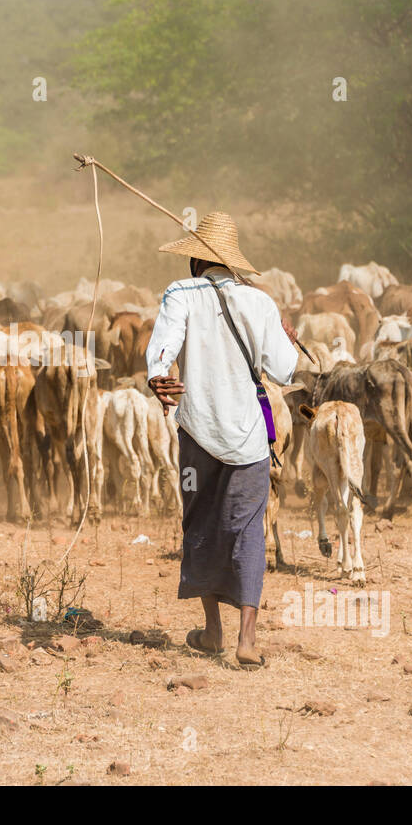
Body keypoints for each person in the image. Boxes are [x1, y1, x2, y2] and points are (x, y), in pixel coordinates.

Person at [143, 211, 299, 668]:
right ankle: (246, 639)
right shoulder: (260, 303)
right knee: (249, 530)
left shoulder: (180, 292)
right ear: (231, 261)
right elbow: (285, 369)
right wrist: (287, 338)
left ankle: (212, 631)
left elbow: (163, 351)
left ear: (194, 259)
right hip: (250, 439)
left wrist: (158, 375)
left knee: (202, 525)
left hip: (197, 434)